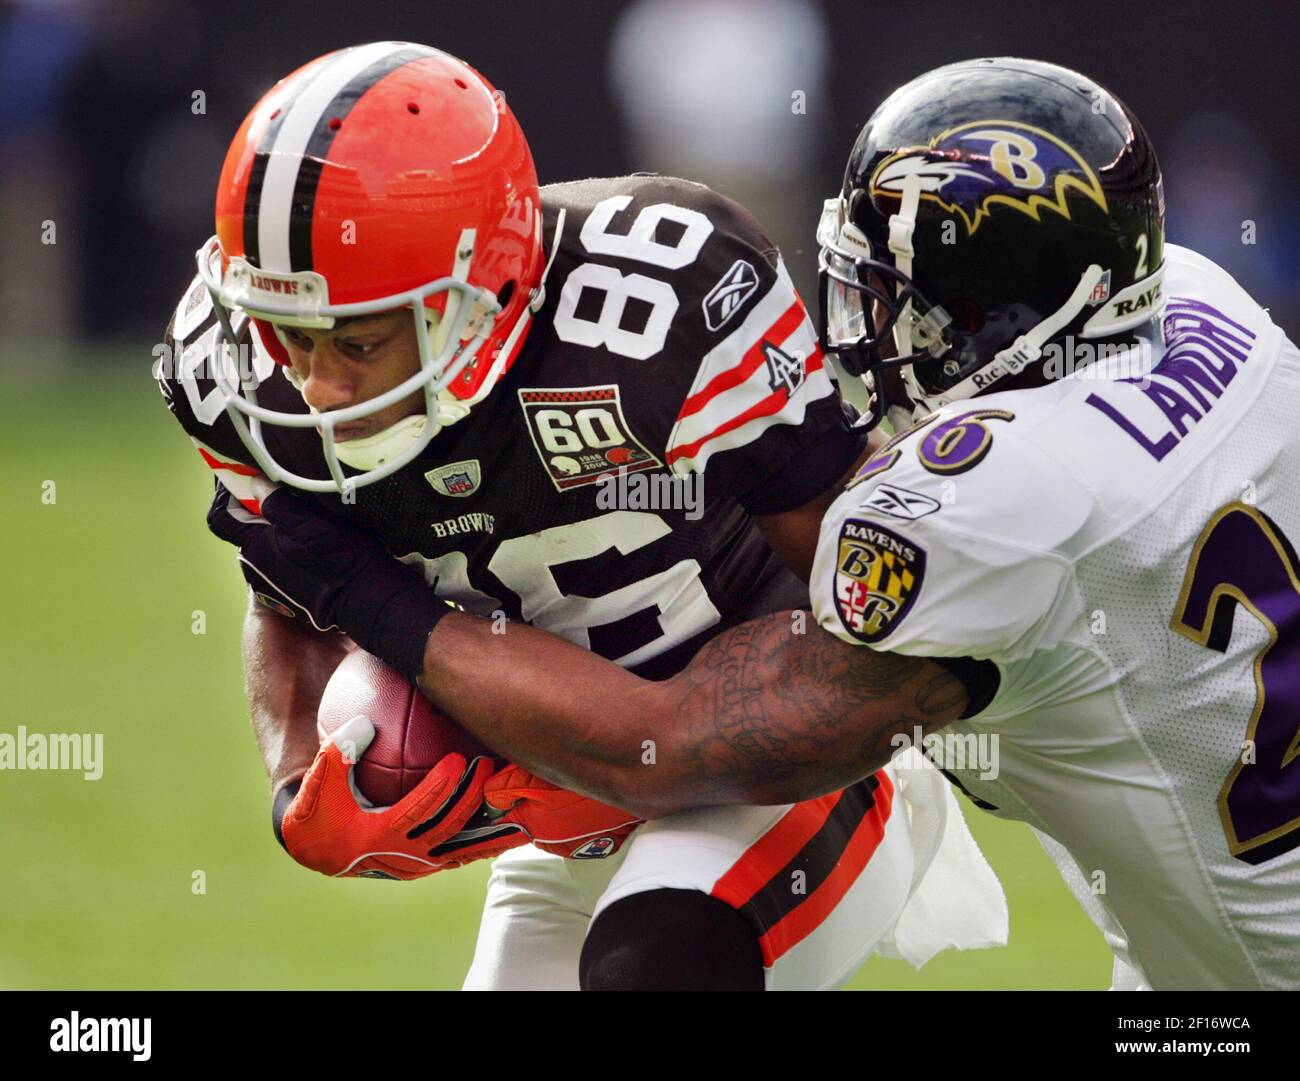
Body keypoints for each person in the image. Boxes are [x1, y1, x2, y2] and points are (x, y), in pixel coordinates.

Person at [243, 56, 1300, 990]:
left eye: (894, 299)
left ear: (994, 318)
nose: (866, 327)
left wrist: (373, 601)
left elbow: (674, 743)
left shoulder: (985, 505)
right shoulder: (1207, 305)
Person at [158, 41, 1006, 991]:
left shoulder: (663, 301)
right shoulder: (238, 375)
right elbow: (291, 597)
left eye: (356, 340)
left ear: (482, 291)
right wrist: (301, 784)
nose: (314, 385)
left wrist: (400, 620)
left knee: (656, 969)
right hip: (566, 798)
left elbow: (892, 637)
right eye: (288, 336)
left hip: (796, 762)